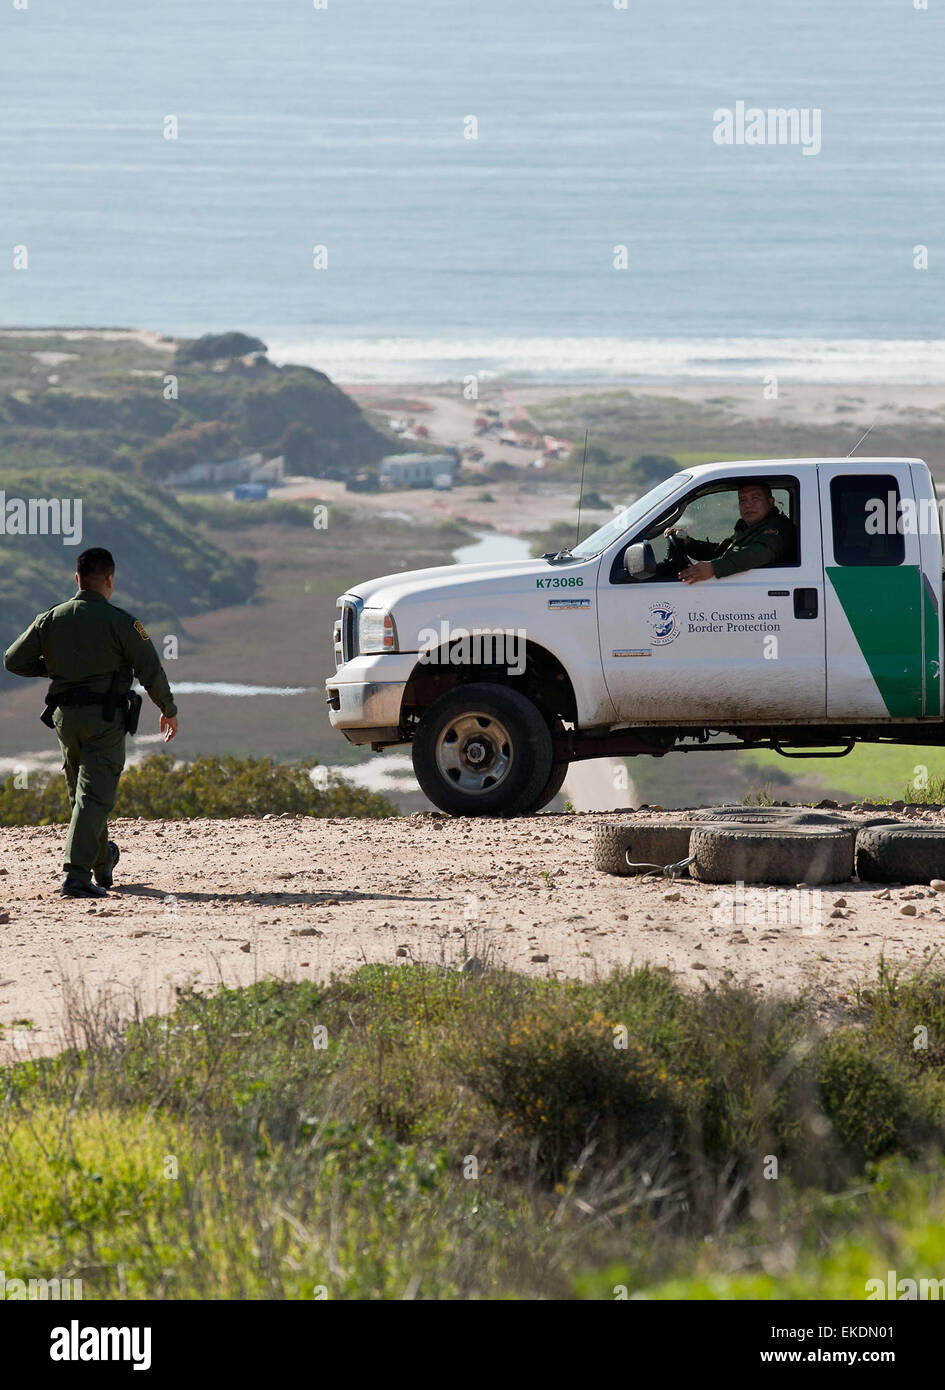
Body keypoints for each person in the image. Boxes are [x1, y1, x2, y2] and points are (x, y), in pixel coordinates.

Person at [3, 548, 179, 898]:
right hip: (105, 719)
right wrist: (168, 709)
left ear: (77, 578)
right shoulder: (123, 623)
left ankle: (103, 861)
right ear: (110, 580)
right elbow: (150, 671)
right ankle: (76, 876)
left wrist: (54, 668)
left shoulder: (51, 618)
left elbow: (12, 660)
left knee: (82, 794)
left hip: (65, 720)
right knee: (94, 795)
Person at [665, 480, 796, 585]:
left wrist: (713, 569)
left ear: (770, 502)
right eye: (743, 500)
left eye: (755, 498)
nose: (748, 505)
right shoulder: (750, 529)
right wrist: (688, 542)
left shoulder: (777, 528)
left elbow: (758, 553)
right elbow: (721, 551)